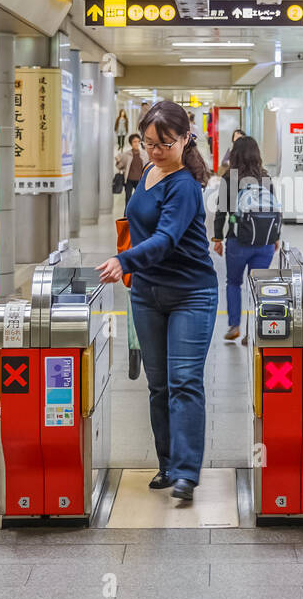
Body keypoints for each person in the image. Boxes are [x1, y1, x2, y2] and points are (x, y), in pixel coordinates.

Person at [95, 101, 217, 502]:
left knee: (184, 382)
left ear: (184, 139)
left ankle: (186, 472)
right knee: (159, 385)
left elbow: (165, 240)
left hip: (191, 294)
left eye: (164, 144)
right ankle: (166, 464)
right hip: (147, 293)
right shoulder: (148, 169)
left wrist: (123, 260)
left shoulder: (184, 186)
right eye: (149, 143)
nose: (155, 151)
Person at [211, 135, 281, 342]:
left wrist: (217, 238)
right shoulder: (265, 178)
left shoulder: (229, 178)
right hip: (265, 242)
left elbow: (220, 212)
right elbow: (276, 209)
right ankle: (253, 329)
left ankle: (235, 325)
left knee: (233, 283)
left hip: (237, 241)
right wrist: (276, 236)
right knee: (258, 286)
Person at [115, 134, 144, 206]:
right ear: (131, 143)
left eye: (138, 141)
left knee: (140, 199)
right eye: (134, 142)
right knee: (128, 199)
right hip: (129, 180)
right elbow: (120, 167)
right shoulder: (126, 154)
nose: (136, 143)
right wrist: (118, 161)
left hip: (140, 181)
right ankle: (126, 216)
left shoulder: (144, 154)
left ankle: (138, 215)